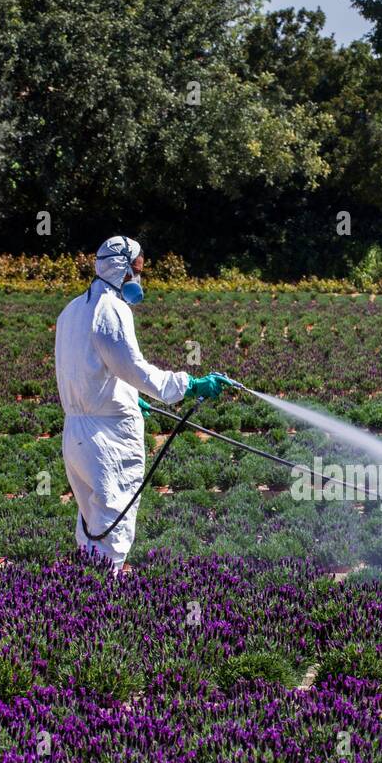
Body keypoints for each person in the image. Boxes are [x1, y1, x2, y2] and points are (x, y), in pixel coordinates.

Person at [55, 235, 226, 572]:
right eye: (137, 269)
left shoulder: (72, 310)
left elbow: (88, 369)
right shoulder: (112, 309)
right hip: (108, 439)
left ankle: (80, 600)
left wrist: (128, 398)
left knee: (92, 527)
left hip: (76, 433)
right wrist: (189, 385)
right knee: (113, 529)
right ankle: (103, 610)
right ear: (122, 268)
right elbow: (135, 369)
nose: (139, 278)